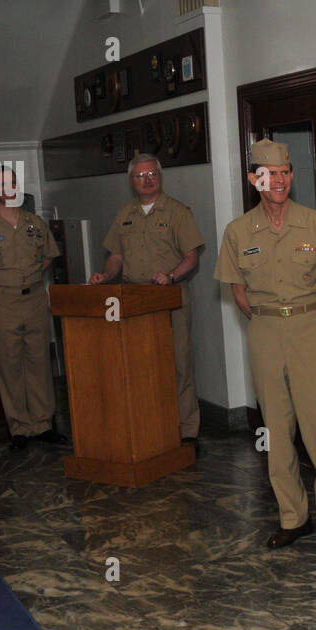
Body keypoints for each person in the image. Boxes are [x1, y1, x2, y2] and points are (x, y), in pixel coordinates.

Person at [214, 138, 316, 551]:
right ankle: (293, 517)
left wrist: (309, 320)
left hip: (311, 326)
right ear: (253, 179)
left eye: (284, 173)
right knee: (276, 430)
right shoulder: (238, 232)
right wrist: (271, 322)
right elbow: (239, 292)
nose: (278, 181)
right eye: (269, 174)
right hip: (265, 333)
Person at [90, 154, 204, 444]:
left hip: (170, 297)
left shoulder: (178, 212)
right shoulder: (124, 214)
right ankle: (152, 425)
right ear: (132, 181)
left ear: (160, 176)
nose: (147, 179)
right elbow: (115, 256)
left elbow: (192, 258)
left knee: (178, 364)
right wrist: (105, 275)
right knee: (141, 365)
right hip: (135, 299)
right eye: (140, 176)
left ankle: (187, 429)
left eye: (152, 173)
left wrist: (172, 275)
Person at [0, 166, 65, 453]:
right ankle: (19, 428)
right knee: (9, 364)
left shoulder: (35, 223)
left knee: (39, 361)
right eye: (4, 183)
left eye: (14, 182)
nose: (10, 187)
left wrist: (30, 277)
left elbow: (49, 257)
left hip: (34, 300)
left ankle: (43, 425)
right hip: (2, 302)